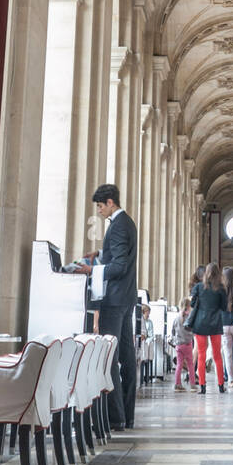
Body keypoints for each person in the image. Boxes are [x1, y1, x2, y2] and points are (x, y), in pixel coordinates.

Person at [72, 183, 139, 429]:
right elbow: (119, 255)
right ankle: (126, 415)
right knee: (126, 357)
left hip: (114, 299)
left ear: (110, 202)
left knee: (110, 356)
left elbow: (120, 266)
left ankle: (115, 416)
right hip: (126, 297)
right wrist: (99, 253)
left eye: (100, 206)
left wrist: (92, 269)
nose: (99, 211)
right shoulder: (126, 223)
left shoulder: (119, 225)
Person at [187, 262, 226, 395]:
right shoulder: (221, 288)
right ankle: (221, 385)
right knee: (217, 356)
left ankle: (202, 386)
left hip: (200, 323)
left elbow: (192, 303)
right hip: (215, 324)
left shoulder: (198, 287)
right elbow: (224, 307)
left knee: (202, 355)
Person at [170, 298, 195, 390]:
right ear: (189, 307)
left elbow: (172, 331)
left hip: (178, 345)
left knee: (179, 365)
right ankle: (192, 384)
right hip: (188, 344)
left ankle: (177, 384)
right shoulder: (189, 318)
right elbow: (192, 331)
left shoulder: (176, 318)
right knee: (190, 365)